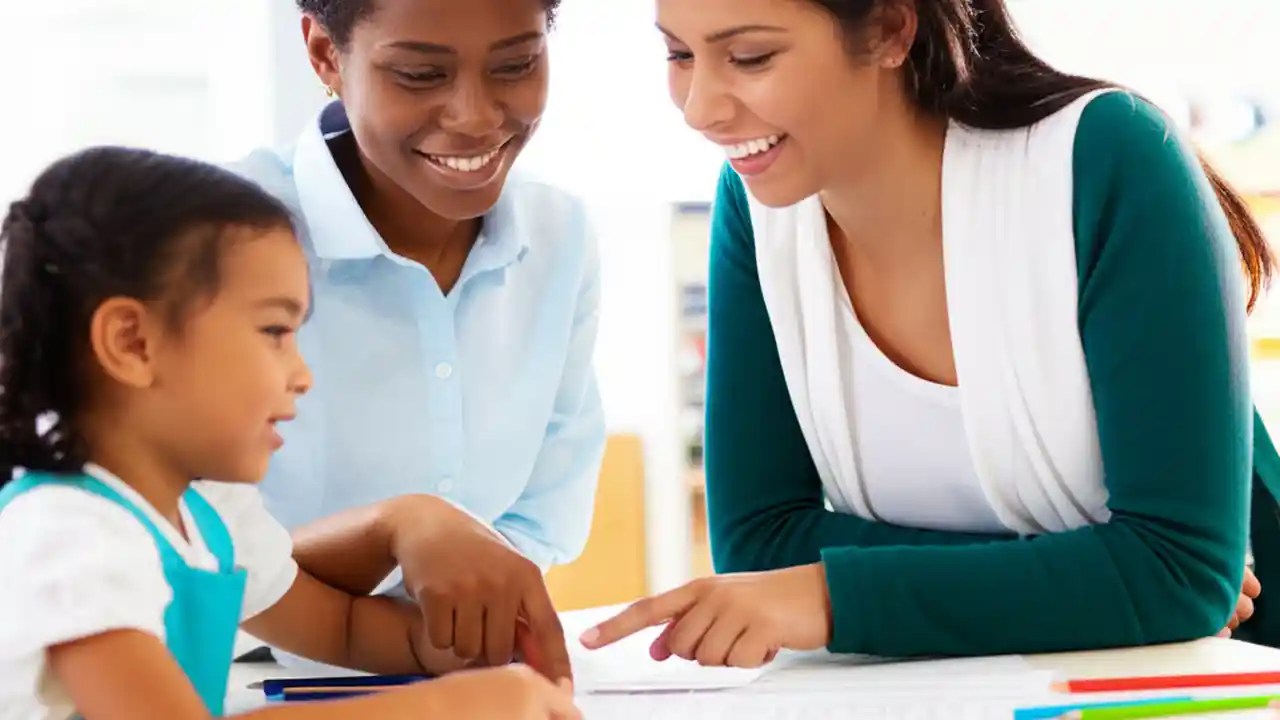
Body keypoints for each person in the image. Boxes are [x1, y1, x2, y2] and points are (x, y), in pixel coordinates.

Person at [581, 0, 1280, 665]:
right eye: (678, 53)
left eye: (751, 56)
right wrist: (1101, 578)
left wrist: (829, 592)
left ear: (888, 29)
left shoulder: (1105, 158)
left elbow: (1175, 573)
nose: (700, 108)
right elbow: (761, 544)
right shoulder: (761, 208)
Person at [0, 146, 580, 720]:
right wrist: (447, 708)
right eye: (275, 331)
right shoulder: (67, 534)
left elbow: (343, 628)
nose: (302, 375)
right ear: (132, 343)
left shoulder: (209, 515)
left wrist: (458, 652)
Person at [232, 0, 604, 680]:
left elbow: (545, 506)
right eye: (418, 74)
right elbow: (167, 543)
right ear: (324, 55)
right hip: (220, 668)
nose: (475, 115)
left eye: (516, 64)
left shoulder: (559, 235)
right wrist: (398, 535)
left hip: (460, 666)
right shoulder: (212, 242)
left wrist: (460, 614)